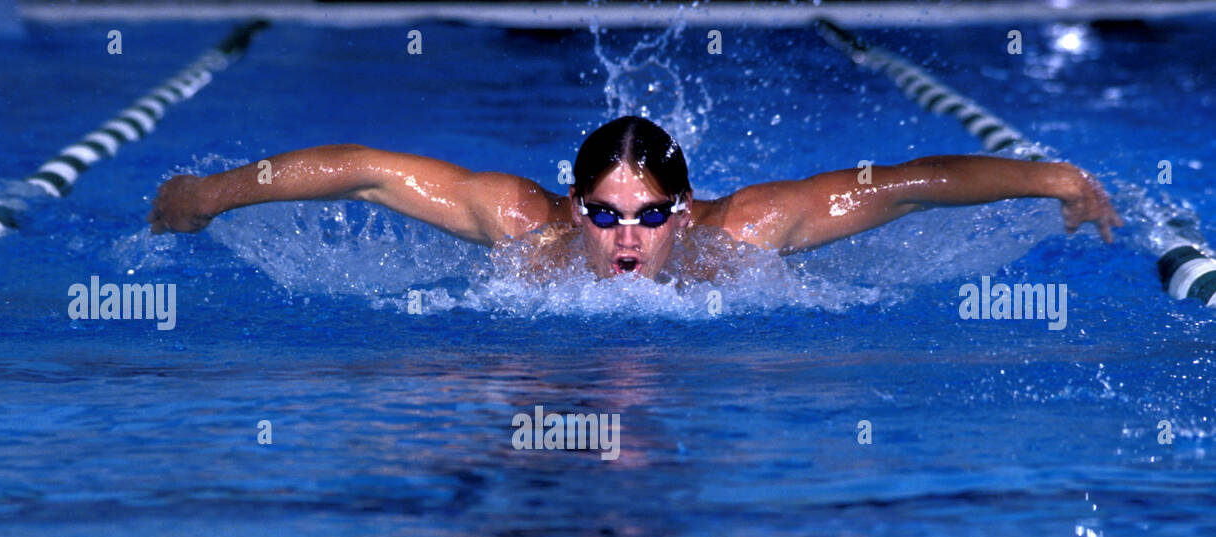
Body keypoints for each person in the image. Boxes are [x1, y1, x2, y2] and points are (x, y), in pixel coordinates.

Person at [148, 115, 1123, 282]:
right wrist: (208, 195)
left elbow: (907, 186)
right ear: (575, 208)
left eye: (651, 216)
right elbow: (360, 165)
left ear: (683, 212)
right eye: (607, 215)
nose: (628, 238)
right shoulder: (522, 225)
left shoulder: (736, 237)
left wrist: (1050, 177)